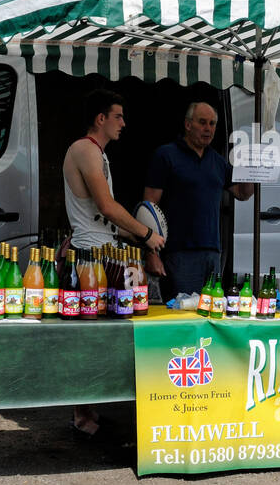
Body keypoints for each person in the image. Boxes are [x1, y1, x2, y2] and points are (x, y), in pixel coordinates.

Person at [62, 89, 165, 435]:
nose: (124, 123)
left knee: (110, 334)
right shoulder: (84, 150)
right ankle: (82, 414)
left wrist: (140, 244)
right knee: (89, 338)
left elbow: (100, 217)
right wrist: (147, 235)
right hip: (90, 257)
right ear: (100, 119)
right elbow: (106, 206)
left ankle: (94, 408)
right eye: (118, 116)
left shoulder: (98, 154)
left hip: (104, 251)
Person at [143, 101, 254, 297]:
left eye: (212, 124)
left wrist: (254, 170)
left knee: (210, 314)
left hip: (213, 252)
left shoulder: (217, 162)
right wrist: (151, 253)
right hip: (179, 252)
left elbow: (243, 193)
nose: (208, 129)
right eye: (202, 122)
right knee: (183, 317)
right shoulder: (166, 155)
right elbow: (148, 208)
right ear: (188, 124)